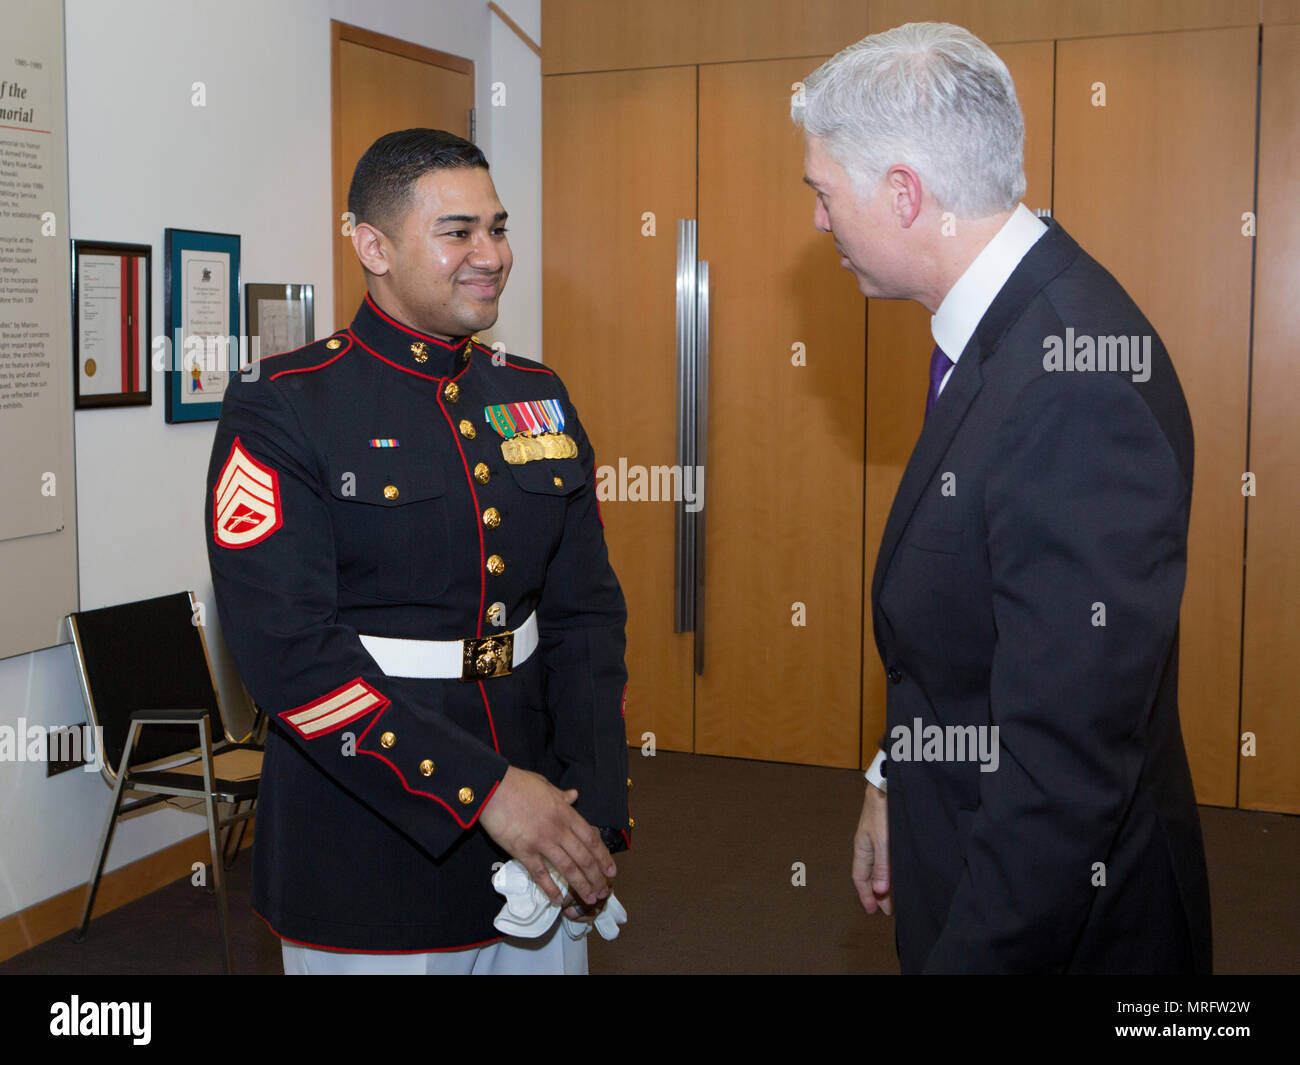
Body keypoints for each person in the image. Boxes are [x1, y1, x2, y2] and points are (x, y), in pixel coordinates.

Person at [793, 23, 1211, 973]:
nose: (819, 221)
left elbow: (1062, 771)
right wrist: (894, 777)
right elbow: (981, 632)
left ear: (903, 194)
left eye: (824, 191)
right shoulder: (1001, 327)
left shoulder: (1070, 382)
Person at [205, 128, 631, 974]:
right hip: (367, 846)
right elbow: (288, 655)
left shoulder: (535, 396)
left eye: (498, 228)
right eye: (458, 231)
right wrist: (484, 789)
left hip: (544, 828)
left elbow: (585, 615)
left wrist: (594, 808)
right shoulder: (285, 406)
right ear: (373, 246)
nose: (492, 255)